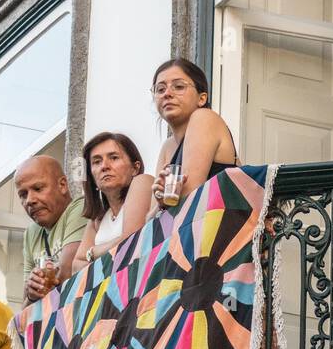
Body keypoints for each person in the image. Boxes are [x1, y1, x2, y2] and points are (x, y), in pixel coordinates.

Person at [149, 58, 238, 211]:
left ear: (202, 98)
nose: (167, 94)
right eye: (160, 89)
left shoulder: (204, 118)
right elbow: (149, 220)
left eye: (178, 86)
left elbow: (189, 199)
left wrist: (164, 203)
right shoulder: (167, 147)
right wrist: (160, 201)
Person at [73, 132, 154, 272]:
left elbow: (130, 242)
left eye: (114, 158)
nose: (104, 166)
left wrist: (93, 252)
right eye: (97, 162)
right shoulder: (98, 219)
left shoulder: (143, 182)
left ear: (135, 168)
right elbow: (75, 268)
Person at [15, 155, 88, 303]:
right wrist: (31, 294)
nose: (30, 200)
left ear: (62, 185)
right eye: (23, 194)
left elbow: (67, 276)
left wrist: (36, 290)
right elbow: (24, 306)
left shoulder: (80, 208)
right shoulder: (31, 233)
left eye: (38, 188)